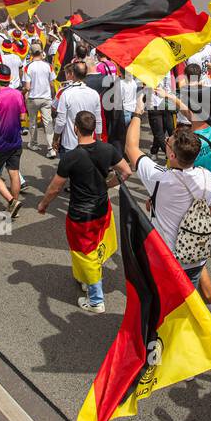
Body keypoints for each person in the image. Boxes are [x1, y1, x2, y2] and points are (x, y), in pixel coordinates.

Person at [123, 112, 211, 327]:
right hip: (196, 255)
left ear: (173, 156)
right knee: (184, 303)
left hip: (168, 257)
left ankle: (159, 345)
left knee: (162, 307)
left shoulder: (161, 177)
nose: (166, 142)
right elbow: (210, 210)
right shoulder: (208, 177)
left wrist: (138, 114)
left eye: (168, 142)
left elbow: (131, 147)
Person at [38, 110, 132, 311]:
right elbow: (127, 171)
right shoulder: (108, 150)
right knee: (95, 246)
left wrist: (43, 205)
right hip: (102, 208)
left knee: (85, 252)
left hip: (81, 214)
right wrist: (110, 184)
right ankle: (86, 279)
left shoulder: (71, 157)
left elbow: (55, 188)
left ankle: (96, 300)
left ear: (75, 128)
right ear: (95, 128)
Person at [0, 65, 27, 217]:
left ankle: (11, 201)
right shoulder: (18, 94)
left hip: (0, 141)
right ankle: (13, 208)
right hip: (15, 139)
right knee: (14, 173)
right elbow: (22, 117)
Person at [54, 61, 103, 157]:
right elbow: (98, 120)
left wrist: (55, 138)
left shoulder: (66, 93)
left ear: (72, 74)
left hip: (69, 144)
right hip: (89, 143)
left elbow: (60, 121)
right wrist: (98, 138)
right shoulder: (94, 94)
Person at [24, 47, 54, 150]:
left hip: (33, 98)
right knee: (48, 122)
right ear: (41, 53)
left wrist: (24, 92)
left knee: (33, 122)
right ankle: (51, 147)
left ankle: (33, 144)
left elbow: (27, 87)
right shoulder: (48, 66)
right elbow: (52, 84)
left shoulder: (28, 67)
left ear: (31, 53)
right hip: (46, 97)